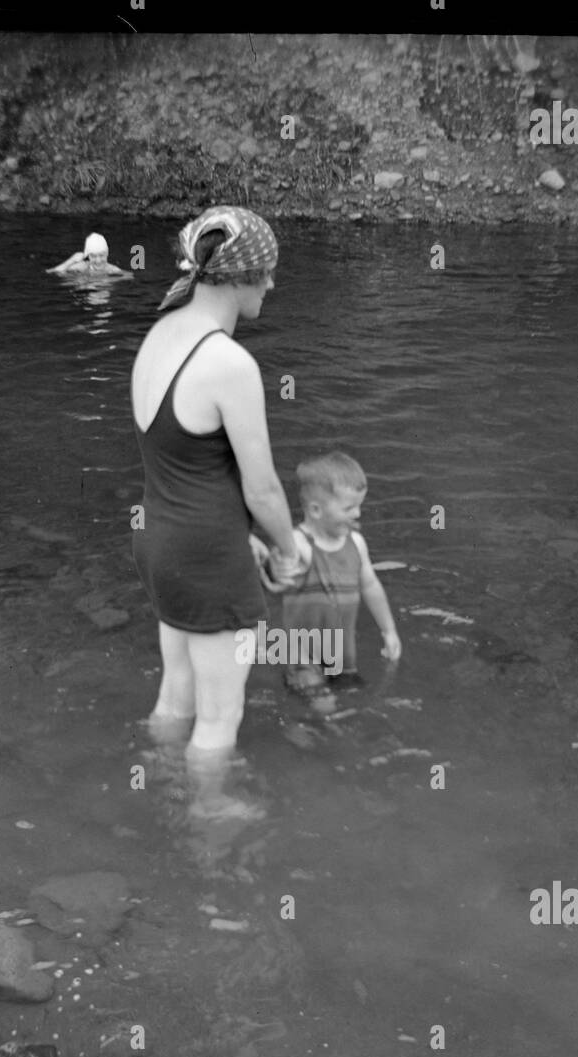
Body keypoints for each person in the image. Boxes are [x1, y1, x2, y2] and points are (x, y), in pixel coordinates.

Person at [130, 205, 302, 776]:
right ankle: (211, 838)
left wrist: (240, 540)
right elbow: (264, 490)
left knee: (176, 695)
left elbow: (185, 464)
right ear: (240, 275)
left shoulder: (158, 337)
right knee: (219, 719)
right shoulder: (228, 362)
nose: (273, 284)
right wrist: (287, 549)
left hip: (161, 545)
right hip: (206, 557)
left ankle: (156, 788)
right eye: (268, 271)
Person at [267, 451, 402, 697]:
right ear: (316, 510)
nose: (358, 514)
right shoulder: (298, 544)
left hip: (341, 657)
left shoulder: (356, 544)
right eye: (349, 508)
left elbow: (370, 586)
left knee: (354, 702)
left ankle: (304, 727)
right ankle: (300, 730)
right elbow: (273, 574)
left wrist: (388, 630)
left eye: (359, 506)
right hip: (302, 659)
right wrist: (275, 568)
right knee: (323, 710)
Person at [46, 232, 128, 277]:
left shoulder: (113, 270)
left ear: (107, 254)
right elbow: (51, 272)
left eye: (102, 255)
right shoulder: (83, 266)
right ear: (87, 256)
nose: (98, 260)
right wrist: (72, 260)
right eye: (93, 256)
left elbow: (129, 276)